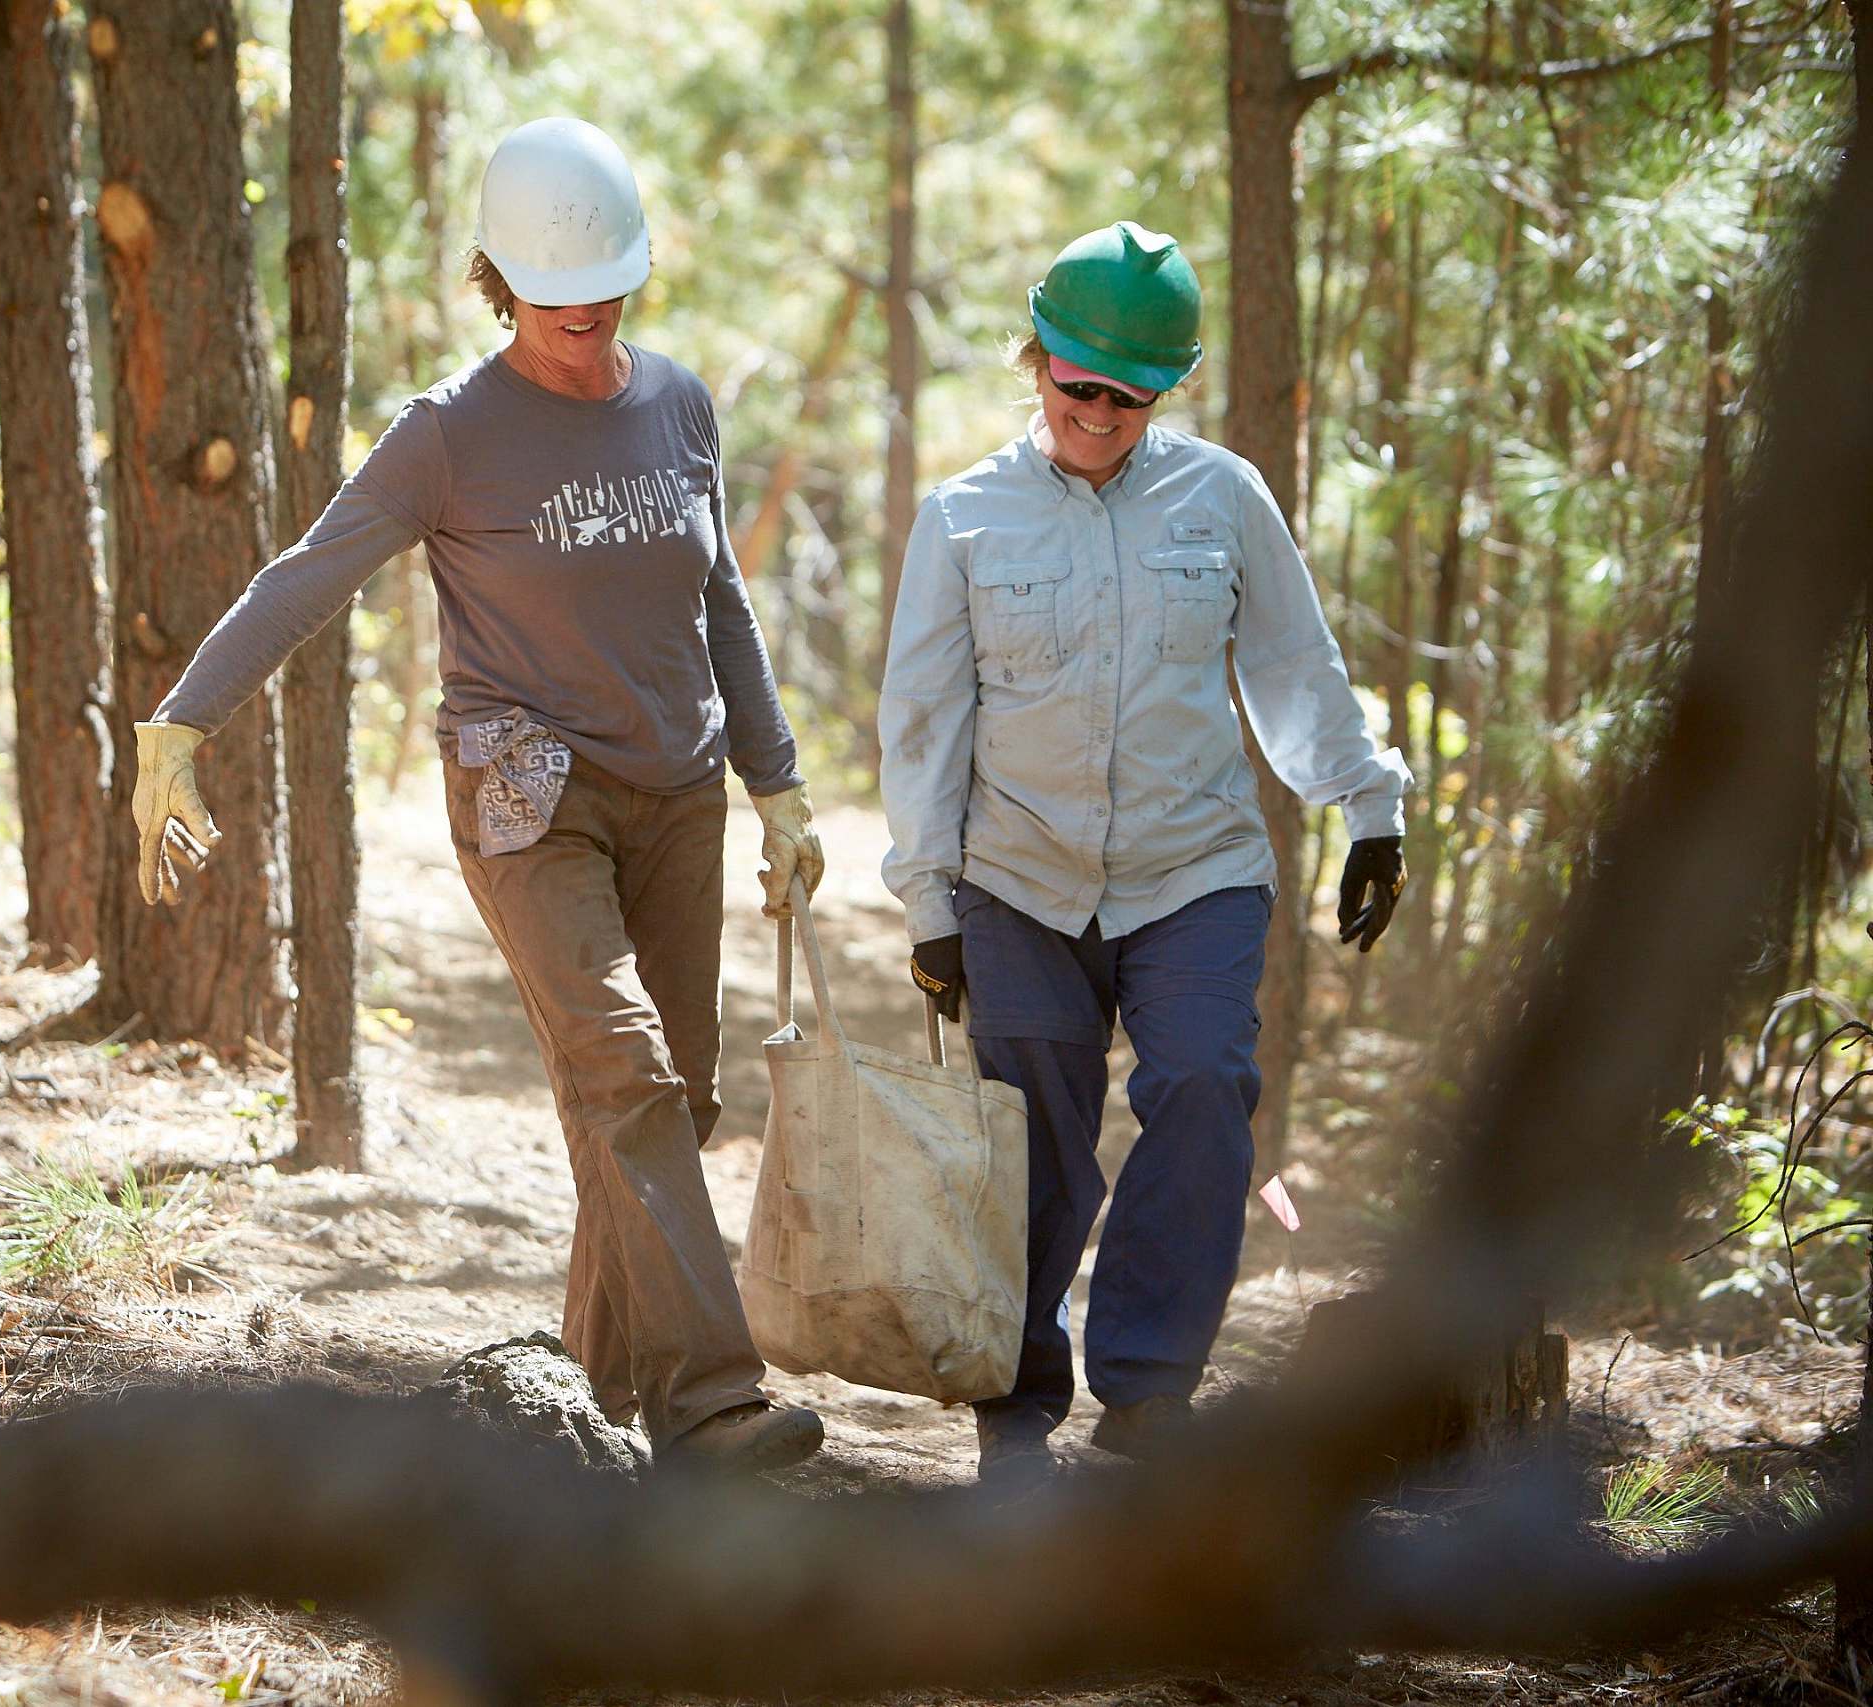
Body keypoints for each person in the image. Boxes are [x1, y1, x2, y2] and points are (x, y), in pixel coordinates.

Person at [130, 117, 827, 1472]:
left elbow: (721, 603)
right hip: (528, 792)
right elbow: (307, 574)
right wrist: (180, 722)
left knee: (670, 1102)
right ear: (500, 283)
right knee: (621, 1064)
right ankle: (713, 1402)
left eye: (608, 300)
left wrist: (779, 785)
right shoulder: (449, 434)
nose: (587, 328)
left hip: (678, 791)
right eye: (558, 308)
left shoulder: (680, 403)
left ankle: (590, 1418)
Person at [876, 220, 1412, 1487]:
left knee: (1203, 1087)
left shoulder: (1221, 497)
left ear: (1167, 388)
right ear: (1037, 362)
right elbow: (922, 717)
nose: (1103, 413)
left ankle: (1148, 1389)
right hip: (1017, 878)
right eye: (1079, 386)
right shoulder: (961, 519)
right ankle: (1016, 1402)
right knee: (1038, 1134)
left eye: (1134, 393)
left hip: (1194, 871)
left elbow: (1290, 668)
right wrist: (927, 900)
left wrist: (1367, 804)